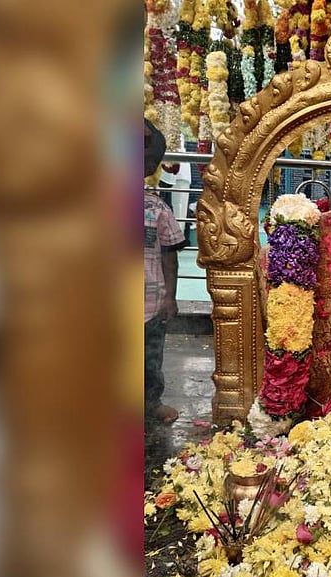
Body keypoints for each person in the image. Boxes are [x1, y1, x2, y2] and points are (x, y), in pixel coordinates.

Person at [144, 120, 187, 424]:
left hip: (148, 305)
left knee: (149, 360)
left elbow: (170, 259)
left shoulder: (158, 209)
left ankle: (150, 404)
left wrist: (169, 298)